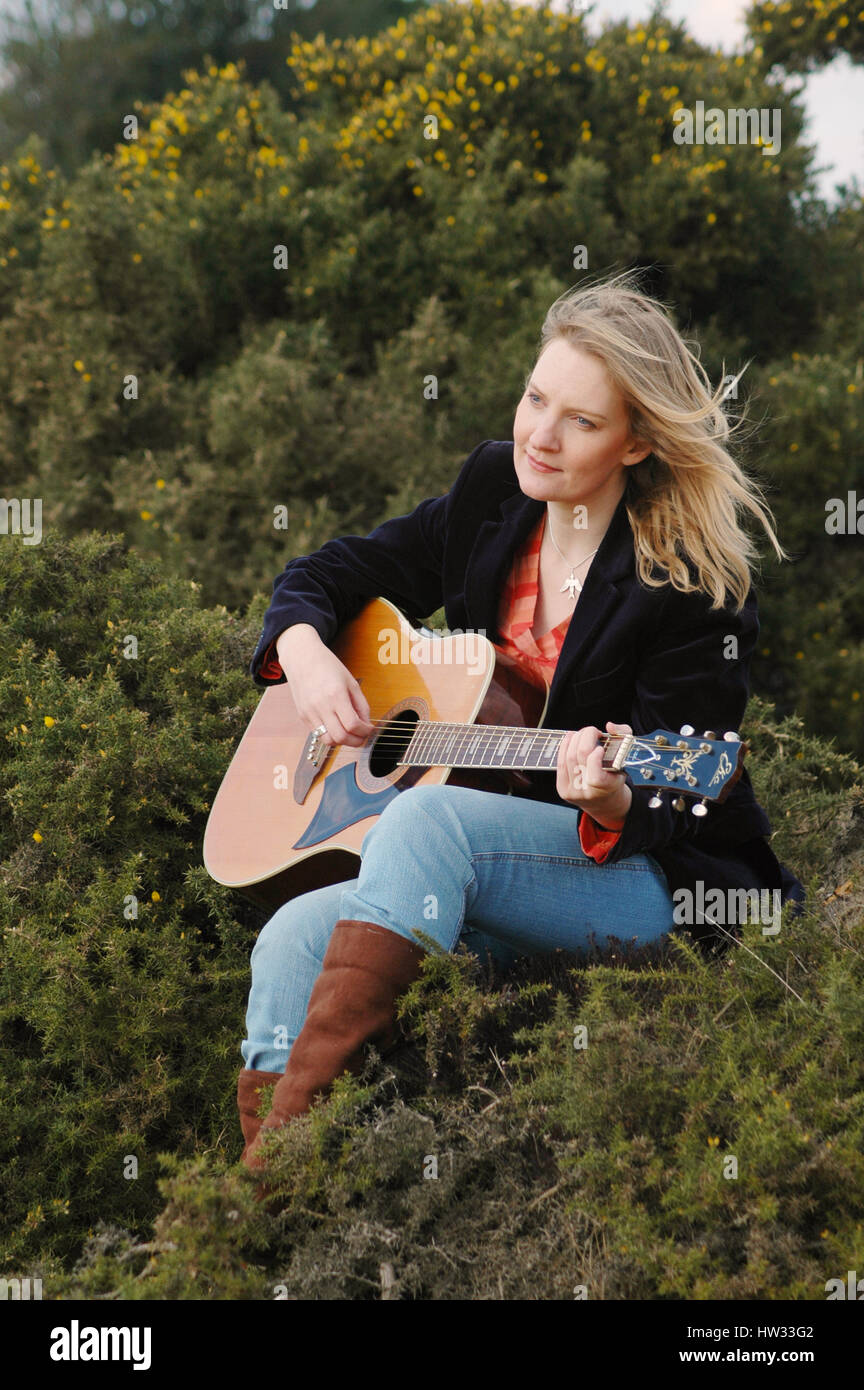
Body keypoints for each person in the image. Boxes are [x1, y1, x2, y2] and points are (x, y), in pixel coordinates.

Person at [236, 272, 805, 1170]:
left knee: (426, 819)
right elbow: (335, 570)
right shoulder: (493, 493)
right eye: (536, 398)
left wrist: (613, 800)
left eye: (580, 420)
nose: (539, 434)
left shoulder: (690, 590)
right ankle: (284, 1197)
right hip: (480, 862)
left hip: (645, 883)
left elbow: (680, 797)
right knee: (289, 939)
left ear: (635, 442)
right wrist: (303, 651)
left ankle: (263, 1186)